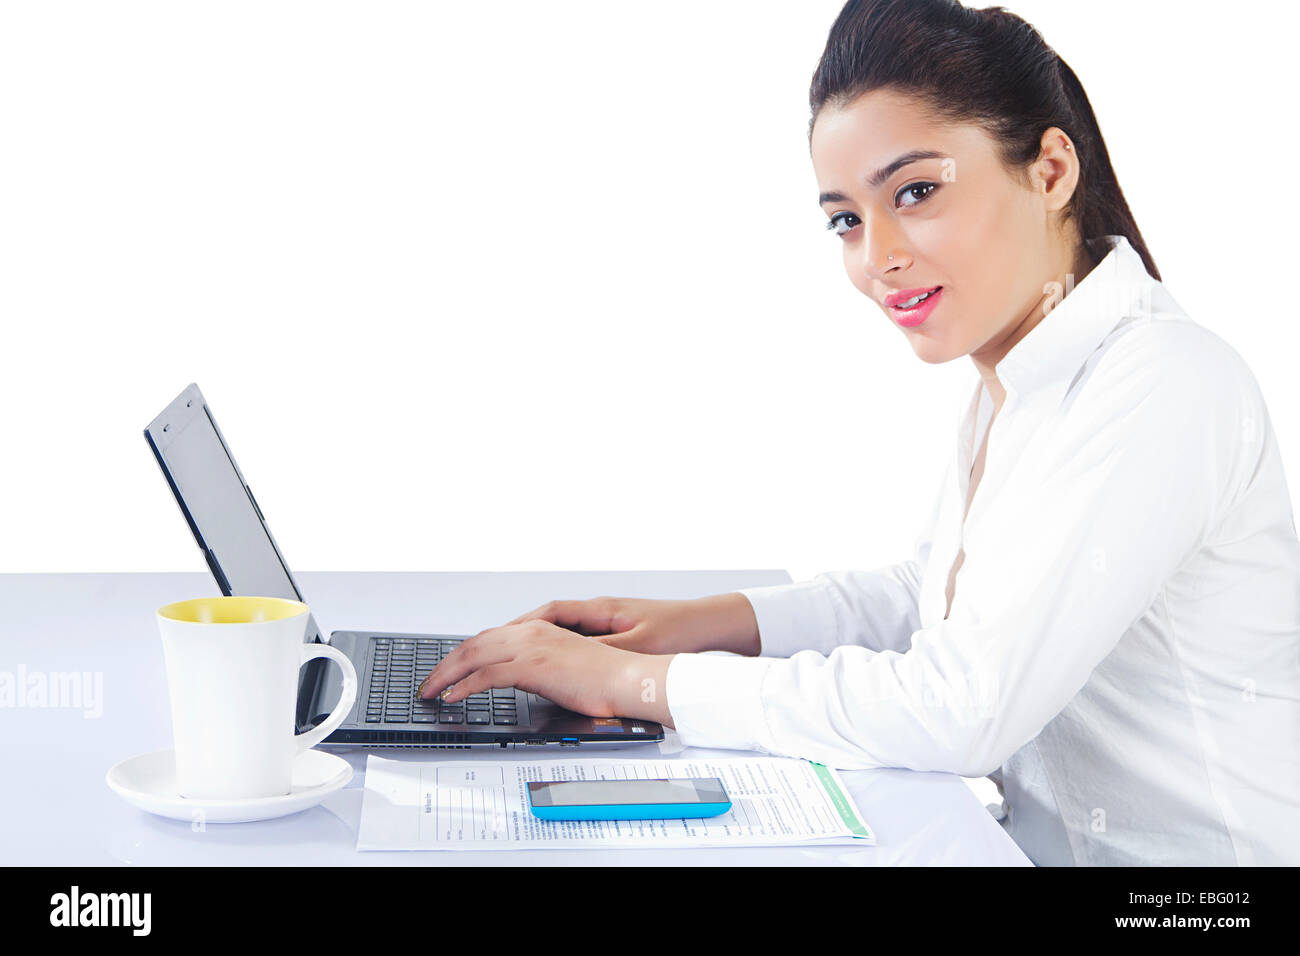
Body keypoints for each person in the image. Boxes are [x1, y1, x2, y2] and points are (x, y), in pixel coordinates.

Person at [419, 0, 1300, 866]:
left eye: (915, 192)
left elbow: (961, 706)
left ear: (1051, 171)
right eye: (846, 218)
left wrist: (634, 686)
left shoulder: (1161, 383)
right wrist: (690, 627)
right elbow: (930, 598)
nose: (877, 255)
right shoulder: (1021, 380)